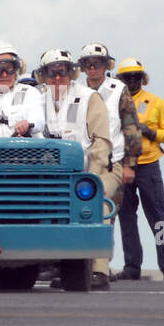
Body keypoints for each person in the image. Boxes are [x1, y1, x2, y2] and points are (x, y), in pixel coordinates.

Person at [37, 49, 115, 289]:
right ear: (44, 76)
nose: (58, 78)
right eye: (52, 73)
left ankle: (99, 270)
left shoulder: (90, 98)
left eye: (63, 72)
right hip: (51, 173)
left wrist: (92, 177)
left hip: (89, 169)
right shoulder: (37, 100)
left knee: (96, 203)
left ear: (71, 73)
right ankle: (55, 265)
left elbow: (101, 142)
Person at [115, 58, 164, 283]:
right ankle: (131, 266)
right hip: (123, 163)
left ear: (143, 78)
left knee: (158, 218)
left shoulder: (155, 102)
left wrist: (152, 133)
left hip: (148, 165)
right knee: (126, 218)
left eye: (136, 76)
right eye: (128, 77)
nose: (133, 81)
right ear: (121, 80)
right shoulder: (115, 101)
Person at [78, 43, 142, 281]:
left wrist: (129, 163)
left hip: (111, 163)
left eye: (98, 63)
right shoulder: (76, 91)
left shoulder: (118, 89)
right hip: (82, 165)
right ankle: (81, 267)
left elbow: (130, 126)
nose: (93, 67)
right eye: (88, 63)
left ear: (107, 65)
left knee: (102, 208)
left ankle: (99, 269)